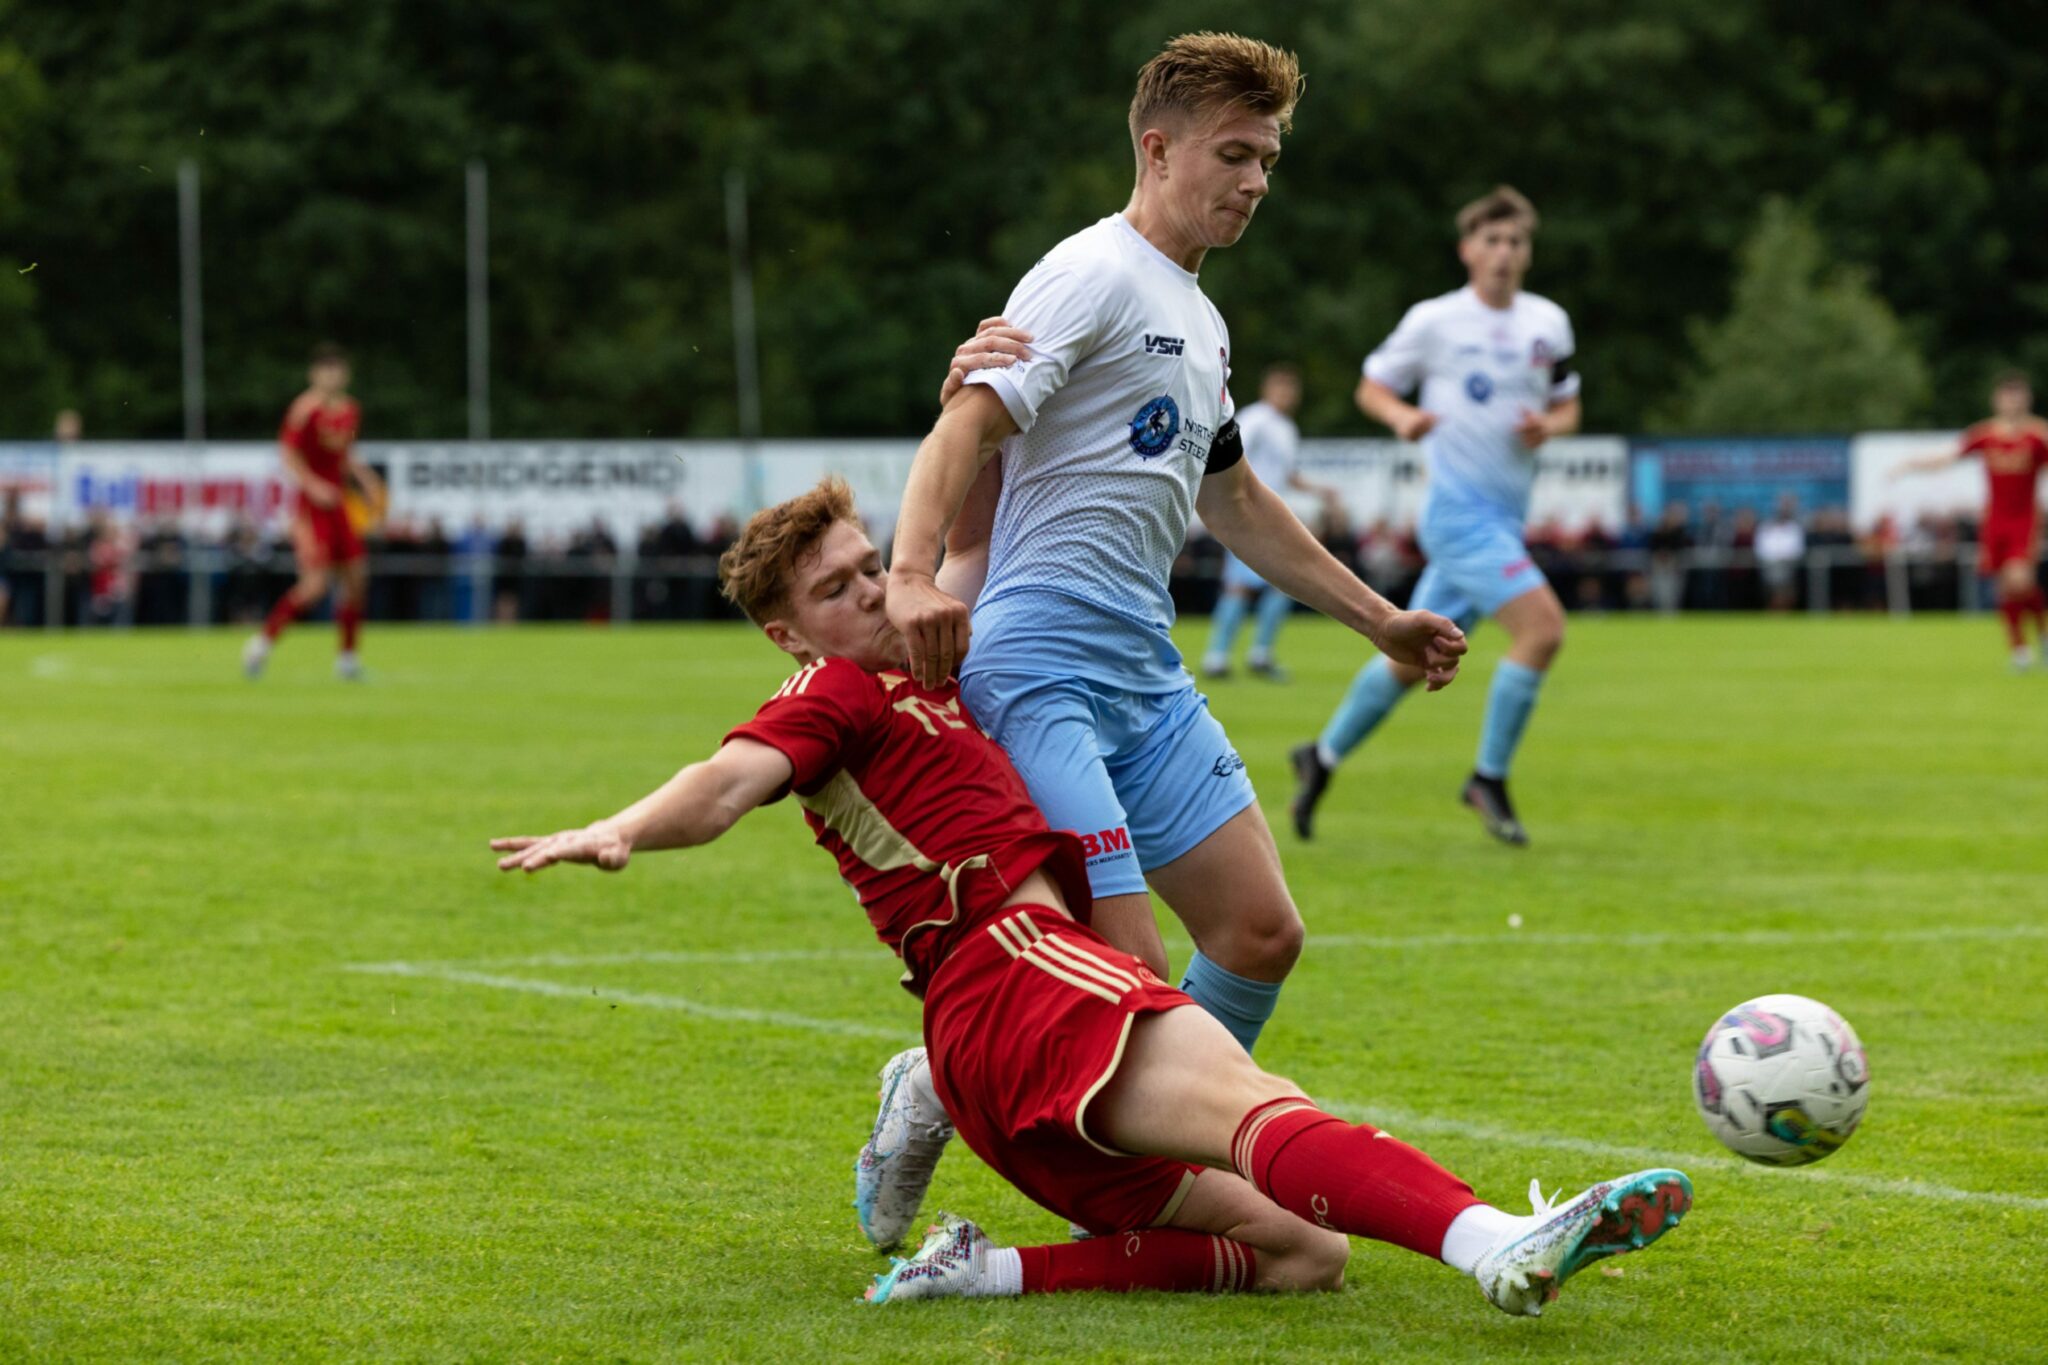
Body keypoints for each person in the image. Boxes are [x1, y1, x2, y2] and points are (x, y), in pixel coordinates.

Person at [488, 479, 1691, 1312]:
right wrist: (617, 830)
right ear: (783, 634)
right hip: (1015, 971)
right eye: (837, 590)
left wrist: (980, 389)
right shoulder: (829, 695)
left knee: (1299, 1251)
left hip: (994, 1046)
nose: (871, 592)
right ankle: (1495, 1245)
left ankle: (986, 1270)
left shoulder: (924, 657)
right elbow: (723, 784)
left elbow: (965, 530)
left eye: (870, 567)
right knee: (1249, 1101)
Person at [883, 33, 1467, 1075]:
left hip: (1144, 672)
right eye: (1233, 155)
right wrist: (910, 578)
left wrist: (1381, 620)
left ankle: (1009, 1101)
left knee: (1258, 933)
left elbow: (1234, 499)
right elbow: (964, 423)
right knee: (1129, 975)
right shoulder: (1089, 274)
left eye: (1267, 160)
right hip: (1038, 669)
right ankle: (1083, 1149)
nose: (1255, 182)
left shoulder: (1202, 321)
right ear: (1156, 151)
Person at [1290, 186, 1581, 847]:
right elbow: (1372, 386)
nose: (1504, 252)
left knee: (1412, 655)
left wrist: (1551, 426)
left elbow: (1569, 405)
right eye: (1492, 240)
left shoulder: (1548, 323)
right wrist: (1402, 417)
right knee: (1542, 630)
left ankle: (1322, 757)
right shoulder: (1436, 321)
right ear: (1467, 250)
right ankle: (1488, 777)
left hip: (1505, 519)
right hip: (1457, 515)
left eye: (1516, 242)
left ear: (1528, 252)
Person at [242, 344, 384, 680]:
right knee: (315, 586)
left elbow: (346, 454)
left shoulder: (350, 409)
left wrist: (367, 480)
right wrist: (313, 485)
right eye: (326, 370)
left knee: (357, 580)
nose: (332, 376)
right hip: (310, 509)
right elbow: (288, 455)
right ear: (314, 374)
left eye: (337, 370)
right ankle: (261, 644)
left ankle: (347, 659)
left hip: (338, 506)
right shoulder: (304, 409)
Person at [1892, 371, 2048, 667]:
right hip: (1995, 519)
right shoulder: (1986, 434)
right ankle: (2019, 650)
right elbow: (1947, 457)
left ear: (2027, 399)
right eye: (2007, 396)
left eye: (2017, 396)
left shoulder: (2038, 435)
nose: (2012, 402)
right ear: (1997, 400)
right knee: (2005, 587)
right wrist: (1909, 465)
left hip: (2025, 519)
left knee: (2021, 579)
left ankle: (2042, 635)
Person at [1197, 363, 1340, 680]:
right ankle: (1216, 657)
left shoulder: (1287, 428)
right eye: (1281, 388)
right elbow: (1231, 456)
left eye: (1291, 389)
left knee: (1282, 585)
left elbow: (1288, 477)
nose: (1287, 395)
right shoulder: (1255, 419)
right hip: (1246, 514)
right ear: (1268, 389)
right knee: (1240, 587)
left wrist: (1321, 491)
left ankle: (1260, 654)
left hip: (1271, 517)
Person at [1754, 494, 1806, 614]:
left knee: (1787, 592)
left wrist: (1783, 557)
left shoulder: (1794, 527)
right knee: (1771, 591)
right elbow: (1761, 548)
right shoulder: (1766, 526)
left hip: (1788, 567)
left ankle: (1785, 611)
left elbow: (1797, 549)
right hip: (1769, 567)